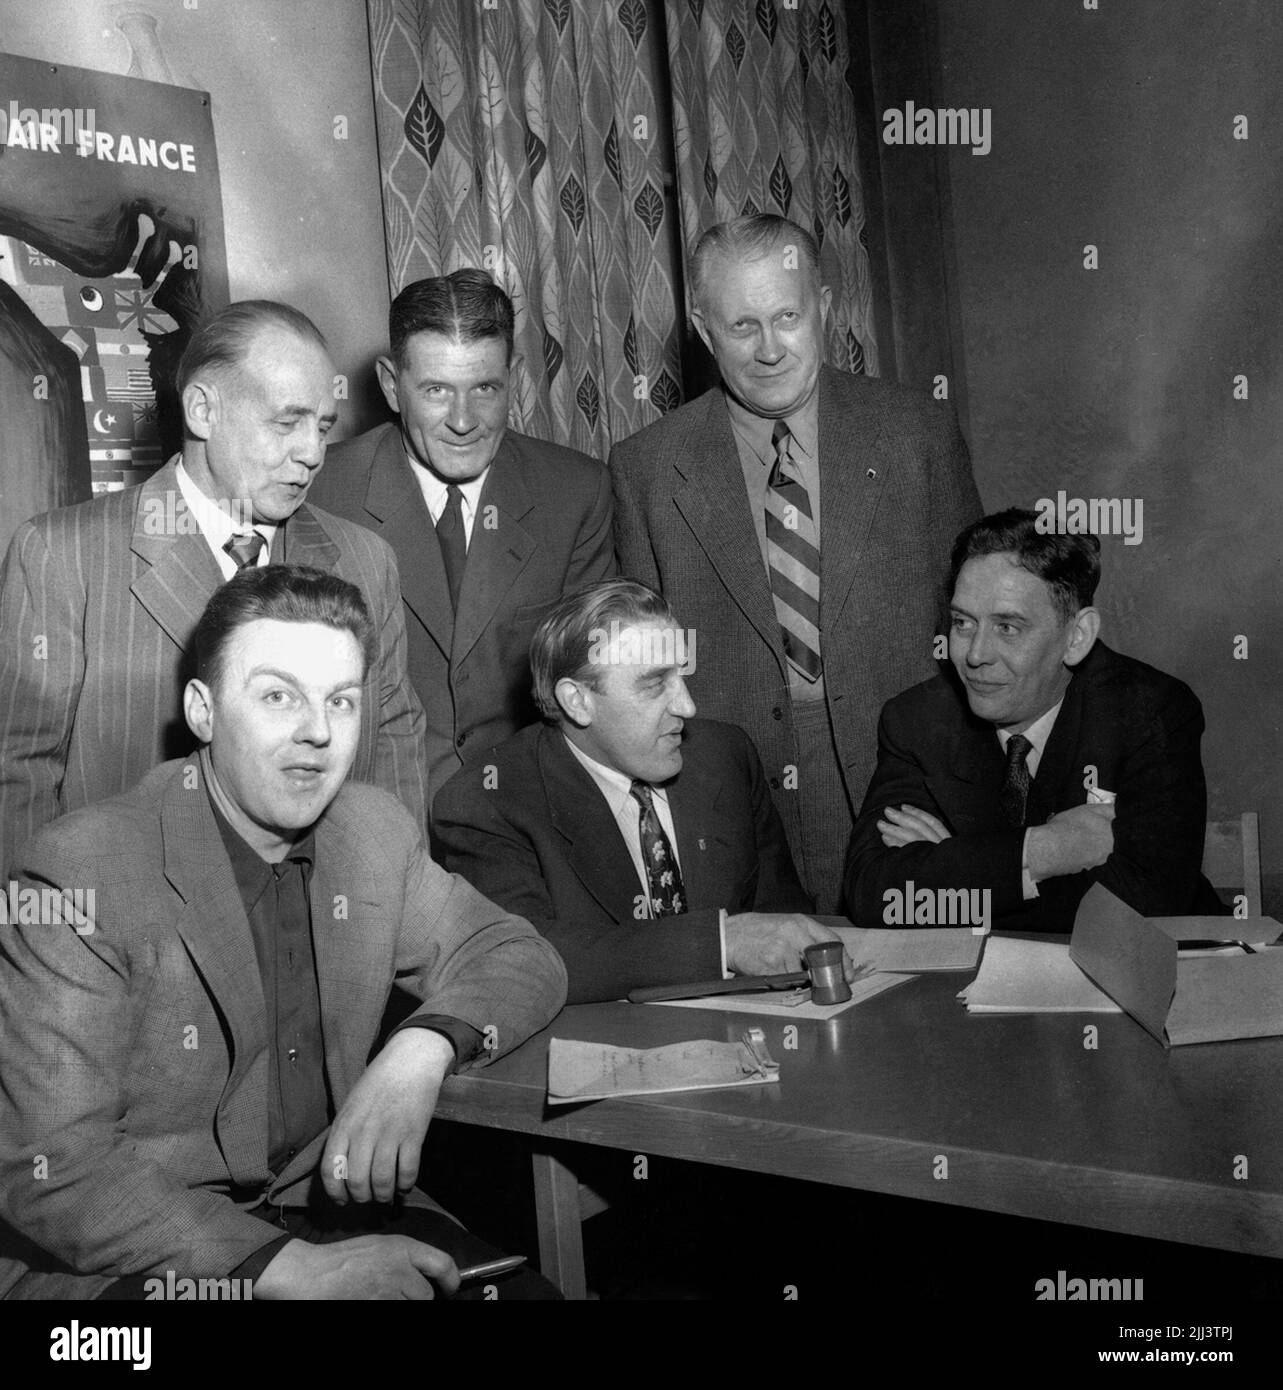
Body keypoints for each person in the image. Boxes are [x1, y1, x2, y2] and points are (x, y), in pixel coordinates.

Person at [0, 564, 566, 1299]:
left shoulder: (370, 831)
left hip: (326, 1212)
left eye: (341, 701)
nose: (318, 733)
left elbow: (517, 953)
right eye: (277, 696)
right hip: (133, 1257)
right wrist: (286, 1268)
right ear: (202, 712)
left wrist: (420, 1049)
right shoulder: (82, 870)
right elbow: (53, 1166)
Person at [610, 214, 981, 912]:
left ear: (825, 307)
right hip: (732, 799)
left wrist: (961, 795)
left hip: (906, 787)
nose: (771, 348)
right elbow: (644, 676)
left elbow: (976, 633)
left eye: (788, 316)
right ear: (701, 327)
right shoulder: (646, 469)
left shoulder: (916, 432)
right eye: (742, 326)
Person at [0, 299, 427, 866]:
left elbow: (393, 758)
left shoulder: (367, 562)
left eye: (322, 426)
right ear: (202, 410)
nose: (313, 453)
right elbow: (17, 778)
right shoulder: (62, 555)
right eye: (286, 422)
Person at [434, 579, 846, 1004]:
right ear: (577, 701)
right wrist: (721, 944)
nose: (687, 707)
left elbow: (782, 922)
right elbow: (517, 959)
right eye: (654, 684)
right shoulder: (486, 800)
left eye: (682, 676)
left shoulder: (725, 755)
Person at [308, 270, 616, 810]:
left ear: (514, 378)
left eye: (485, 389)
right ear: (390, 385)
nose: (462, 420)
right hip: (375, 818)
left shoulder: (576, 493)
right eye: (435, 390)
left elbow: (593, 691)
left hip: (532, 821)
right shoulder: (321, 493)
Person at [844, 508, 1226, 932]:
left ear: (1076, 637)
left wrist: (957, 867)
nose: (974, 655)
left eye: (1008, 627)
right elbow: (876, 897)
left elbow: (1144, 907)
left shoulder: (1152, 711)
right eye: (962, 623)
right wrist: (1045, 851)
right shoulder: (915, 720)